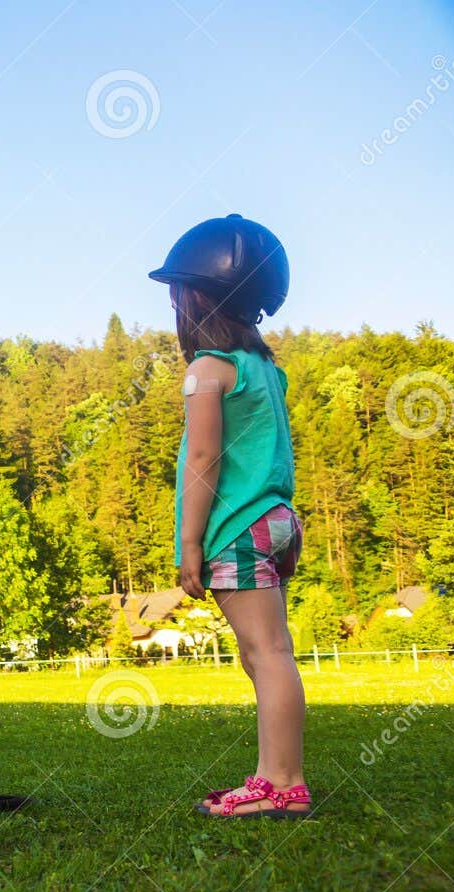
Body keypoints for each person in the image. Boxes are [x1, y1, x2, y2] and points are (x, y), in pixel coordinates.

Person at [150, 214, 311, 819]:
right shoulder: (267, 370)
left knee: (267, 653)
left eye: (175, 294)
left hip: (238, 527)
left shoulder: (207, 371)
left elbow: (203, 460)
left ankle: (283, 784)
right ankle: (275, 775)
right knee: (264, 653)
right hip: (274, 520)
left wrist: (189, 544)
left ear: (195, 298)